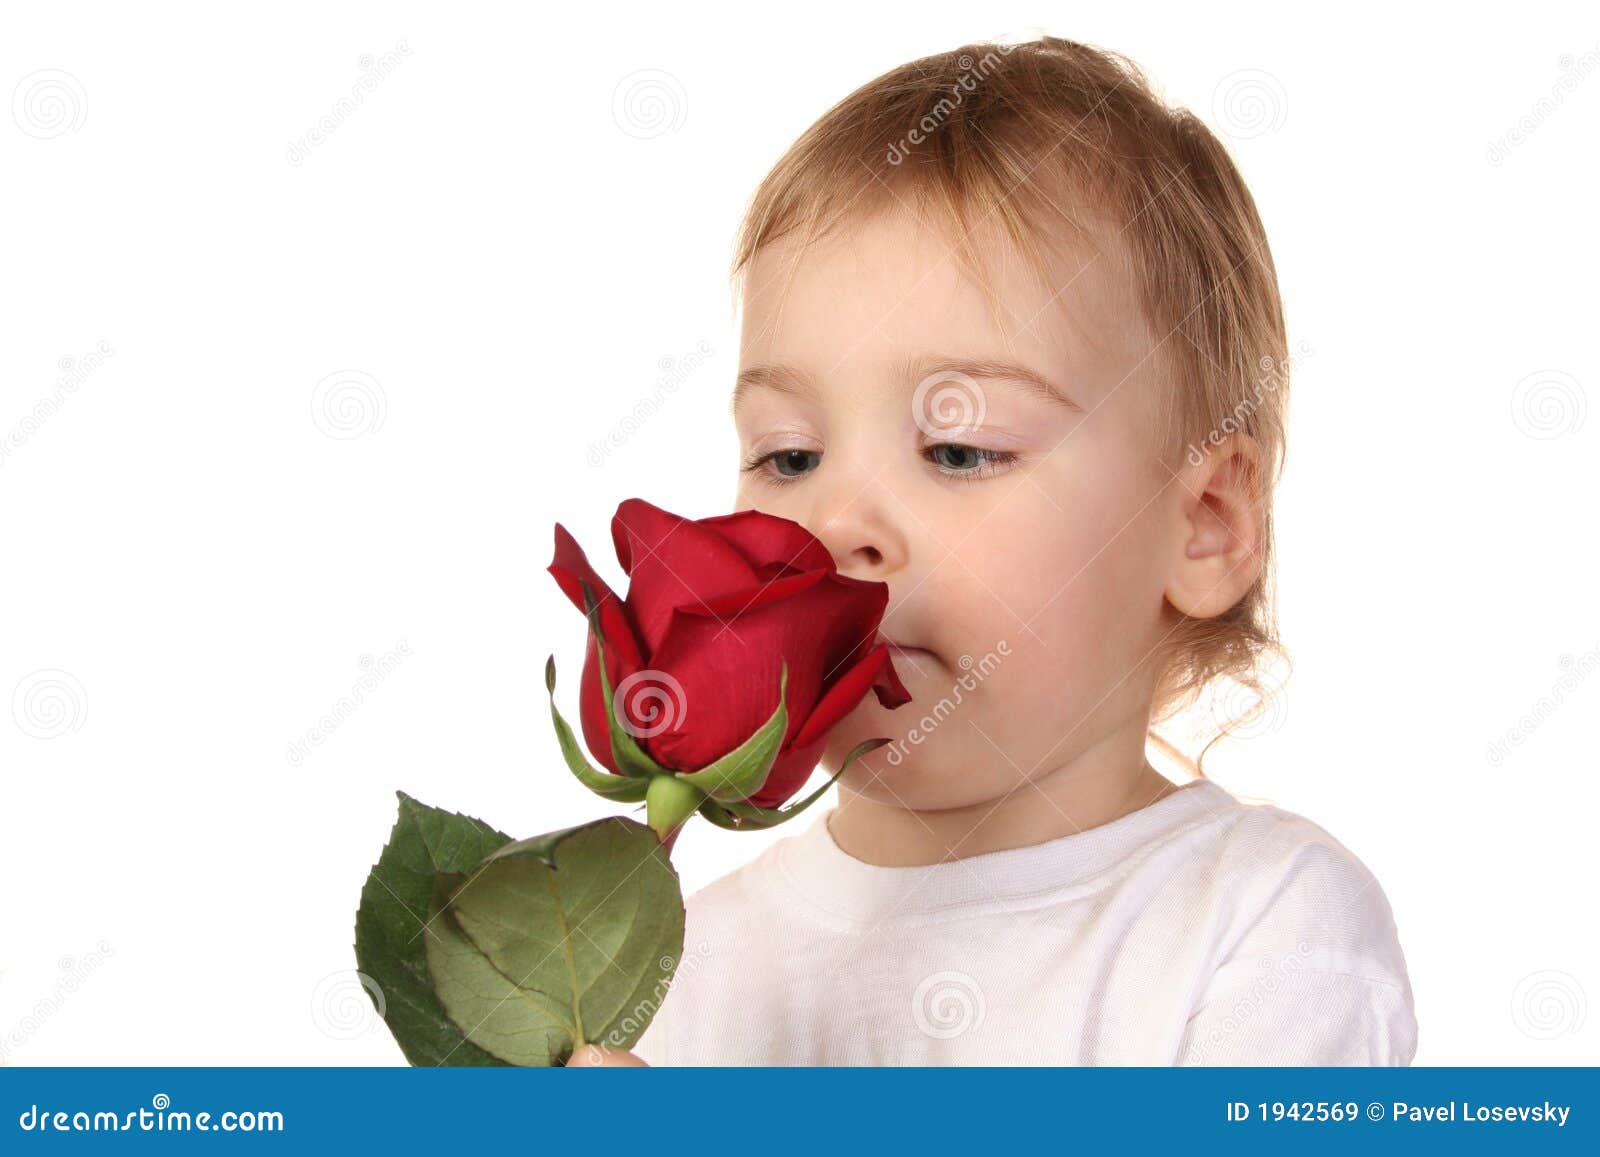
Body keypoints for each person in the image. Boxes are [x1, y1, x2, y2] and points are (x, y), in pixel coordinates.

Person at [569, 34, 1416, 1066]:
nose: (838, 524)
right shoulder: (674, 965)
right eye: (789, 456)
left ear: (1204, 523)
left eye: (960, 449)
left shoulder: (1265, 928)